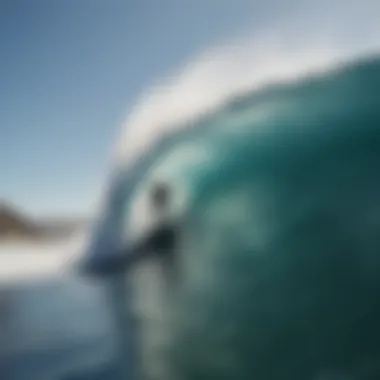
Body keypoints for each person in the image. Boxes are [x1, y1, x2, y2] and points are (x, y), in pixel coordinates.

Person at [84, 182, 179, 279]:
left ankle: (97, 267)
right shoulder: (163, 224)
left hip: (150, 247)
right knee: (121, 262)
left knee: (121, 262)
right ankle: (97, 266)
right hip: (146, 249)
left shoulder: (166, 228)